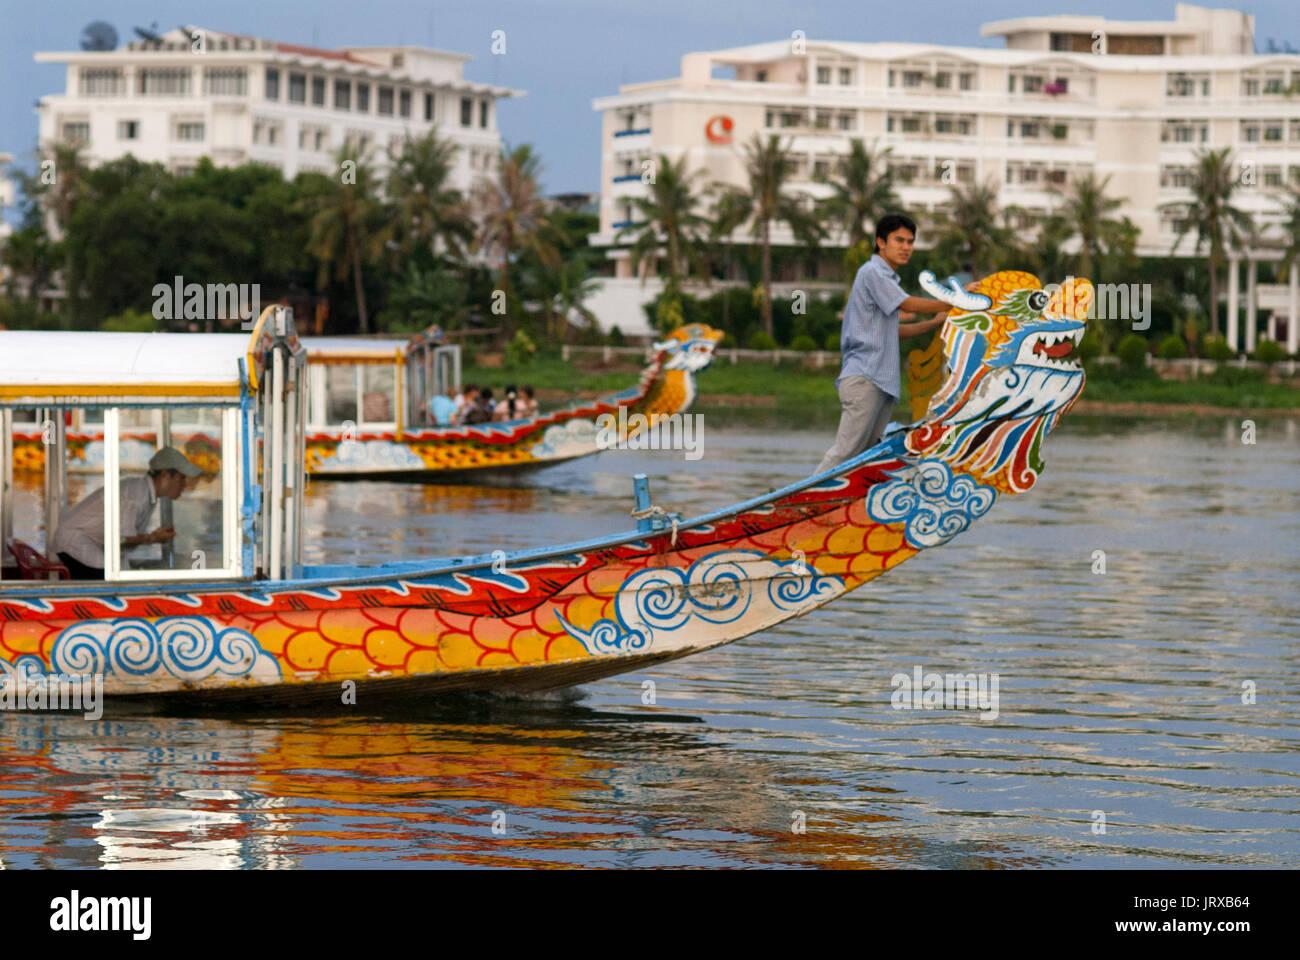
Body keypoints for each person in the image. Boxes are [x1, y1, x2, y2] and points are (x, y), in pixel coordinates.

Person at [815, 213, 951, 474]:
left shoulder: (885, 280)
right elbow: (907, 304)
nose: (906, 247)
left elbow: (892, 332)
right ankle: (801, 504)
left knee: (863, 460)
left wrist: (933, 324)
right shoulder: (873, 272)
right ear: (880, 242)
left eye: (910, 242)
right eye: (899, 240)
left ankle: (835, 509)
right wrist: (956, 302)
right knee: (845, 452)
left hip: (881, 381)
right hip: (866, 376)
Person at [50, 446, 202, 579]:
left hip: (87, 543)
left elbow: (123, 539)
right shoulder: (136, 494)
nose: (184, 485)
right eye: (182, 478)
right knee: (111, 579)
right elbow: (121, 538)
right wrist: (153, 538)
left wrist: (153, 537)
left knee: (122, 573)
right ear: (165, 475)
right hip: (75, 542)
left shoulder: (145, 493)